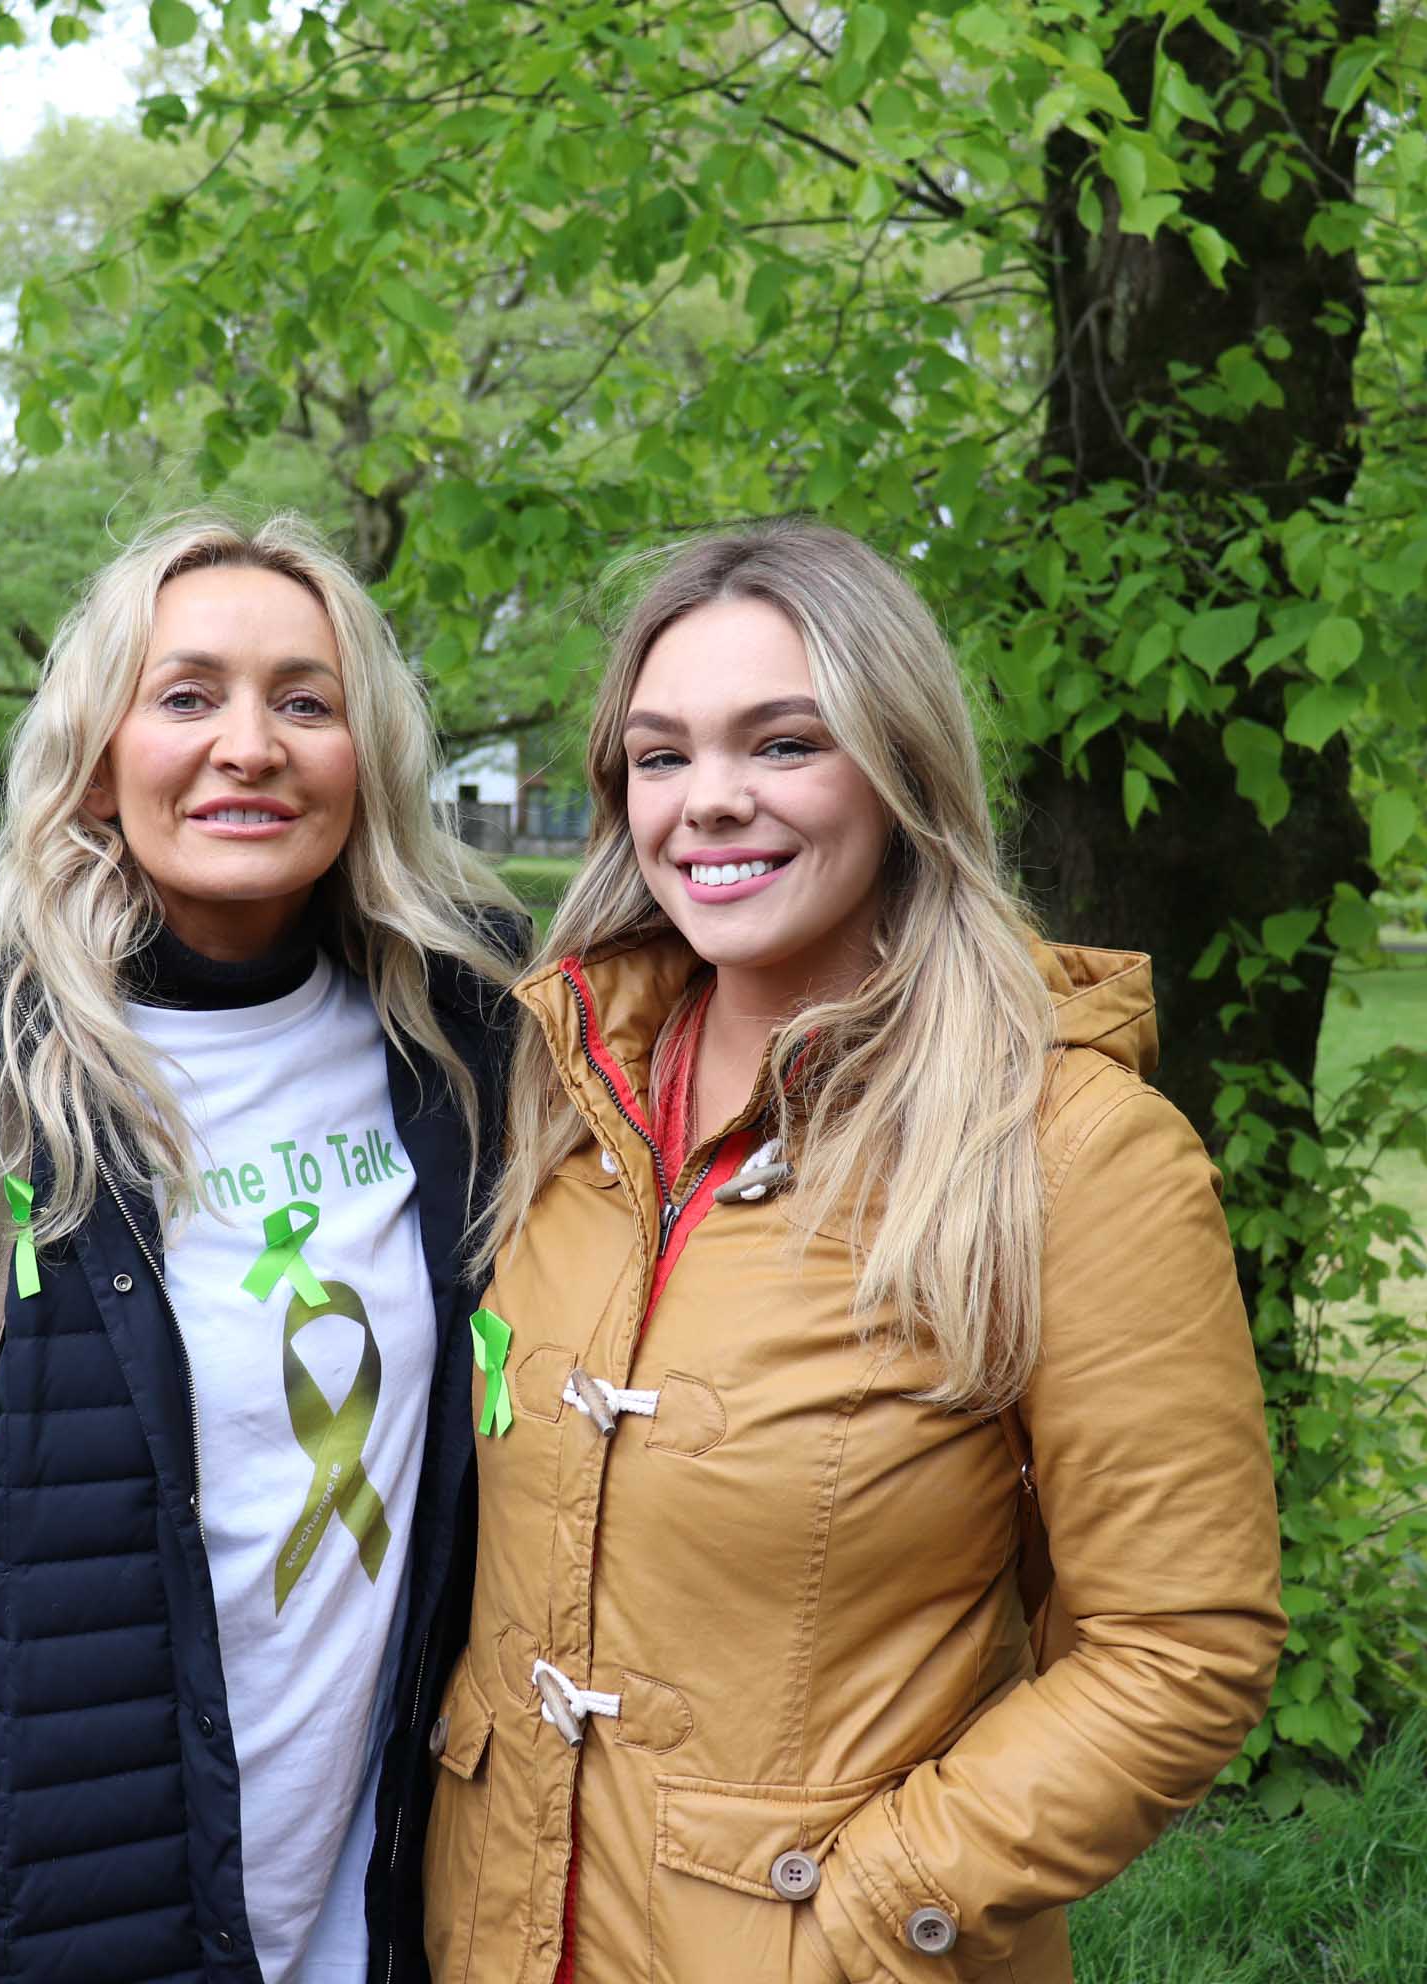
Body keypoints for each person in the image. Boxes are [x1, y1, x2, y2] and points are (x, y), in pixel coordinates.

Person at [421, 520, 1285, 1984]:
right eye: (661, 755)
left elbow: (1179, 1650)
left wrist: (873, 1912)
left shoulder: (1069, 1150)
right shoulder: (552, 1095)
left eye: (784, 743)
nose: (711, 799)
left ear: (900, 768)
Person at [0, 511, 527, 1984]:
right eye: (187, 695)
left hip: (373, 1931)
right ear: (97, 755)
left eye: (306, 702)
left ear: (367, 758)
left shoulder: (463, 1047)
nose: (249, 746)